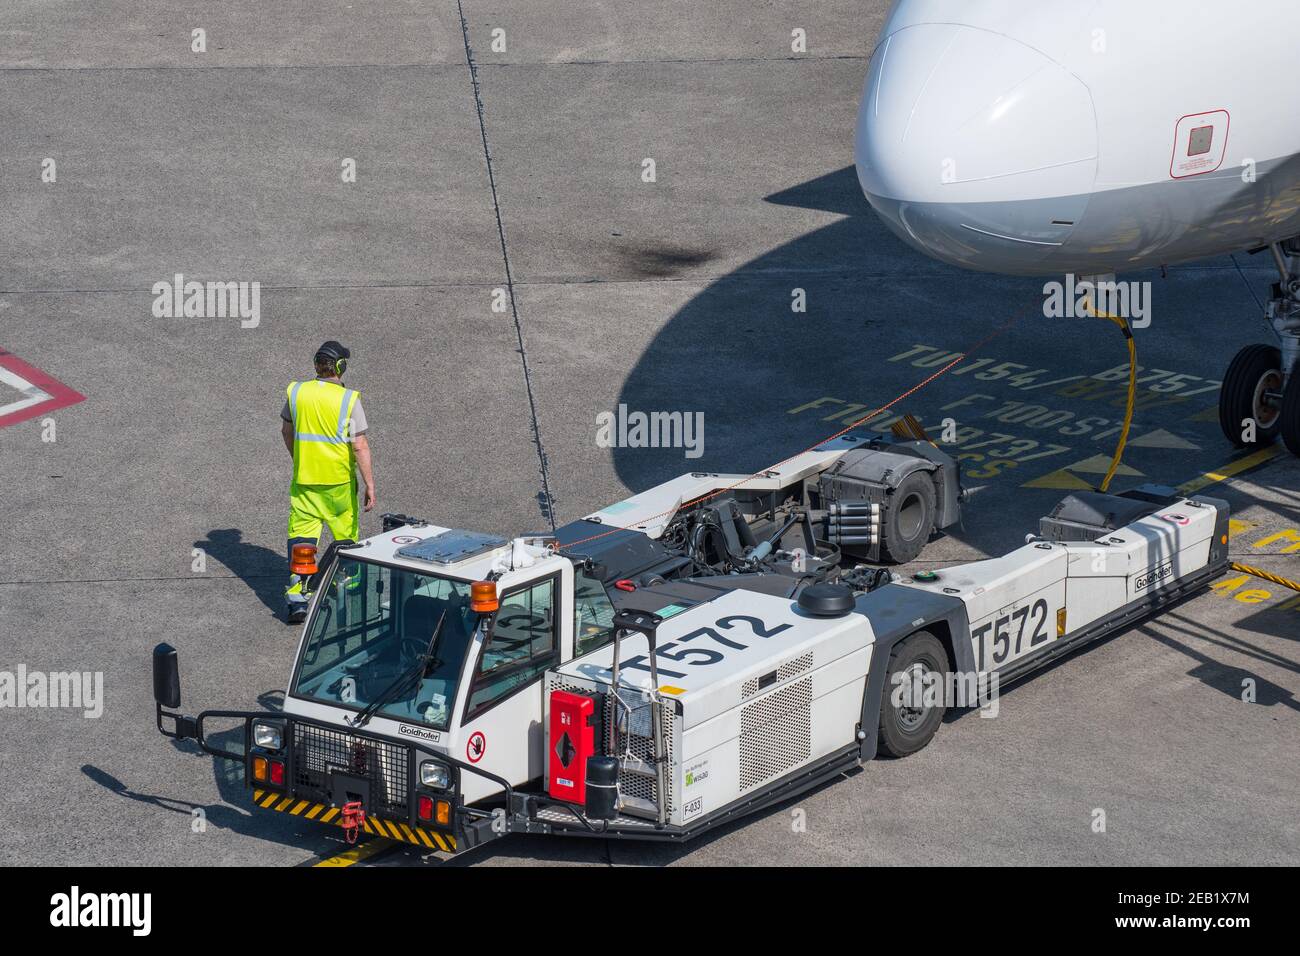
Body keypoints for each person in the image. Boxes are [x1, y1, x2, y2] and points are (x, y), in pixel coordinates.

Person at [280, 341, 375, 623]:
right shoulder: (348, 399)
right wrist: (369, 483)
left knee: (302, 540)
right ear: (340, 367)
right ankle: (345, 590)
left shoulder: (297, 392)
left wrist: (300, 460)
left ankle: (298, 597)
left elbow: (287, 431)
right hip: (339, 486)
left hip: (305, 481)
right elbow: (359, 445)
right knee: (345, 537)